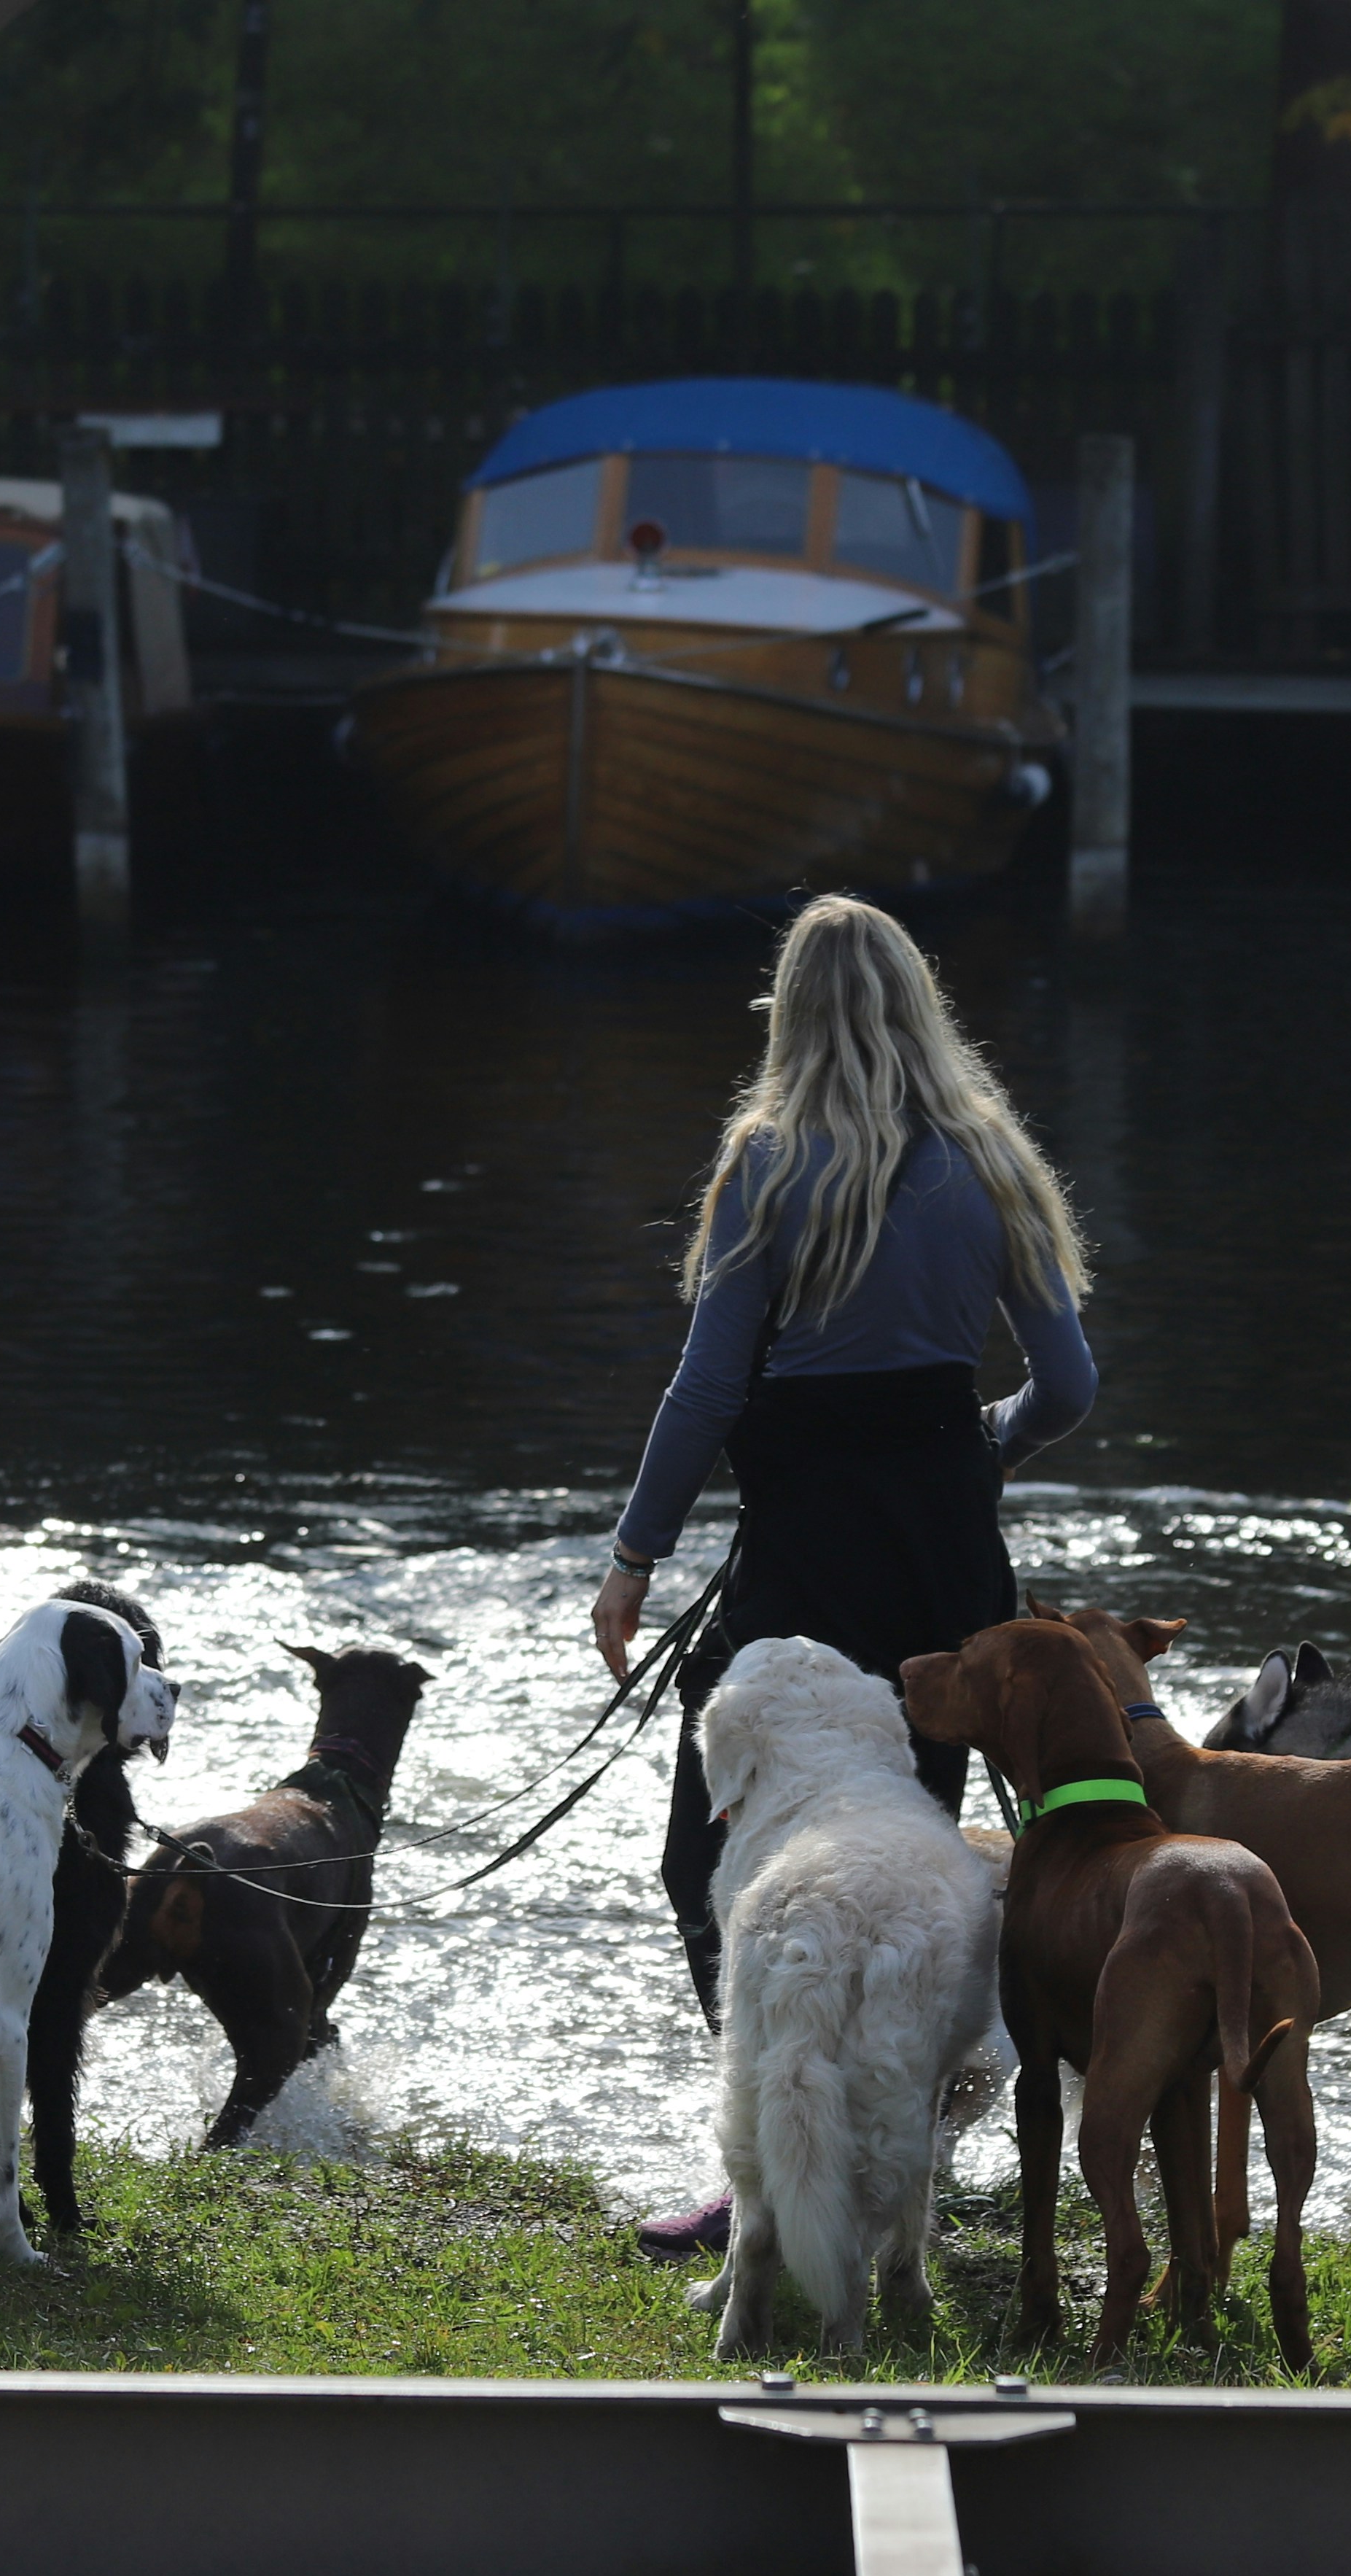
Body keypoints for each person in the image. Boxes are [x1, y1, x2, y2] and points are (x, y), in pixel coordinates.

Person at [586, 894, 1099, 2260]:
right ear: (923, 1008)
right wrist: (982, 1446)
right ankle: (906, 2157)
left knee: (715, 1853)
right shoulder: (994, 1163)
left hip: (806, 1557)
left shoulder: (768, 1160)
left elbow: (705, 1393)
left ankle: (772, 2156)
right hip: (946, 1560)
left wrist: (635, 1555)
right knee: (922, 1861)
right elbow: (1072, 1383)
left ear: (791, 1015)